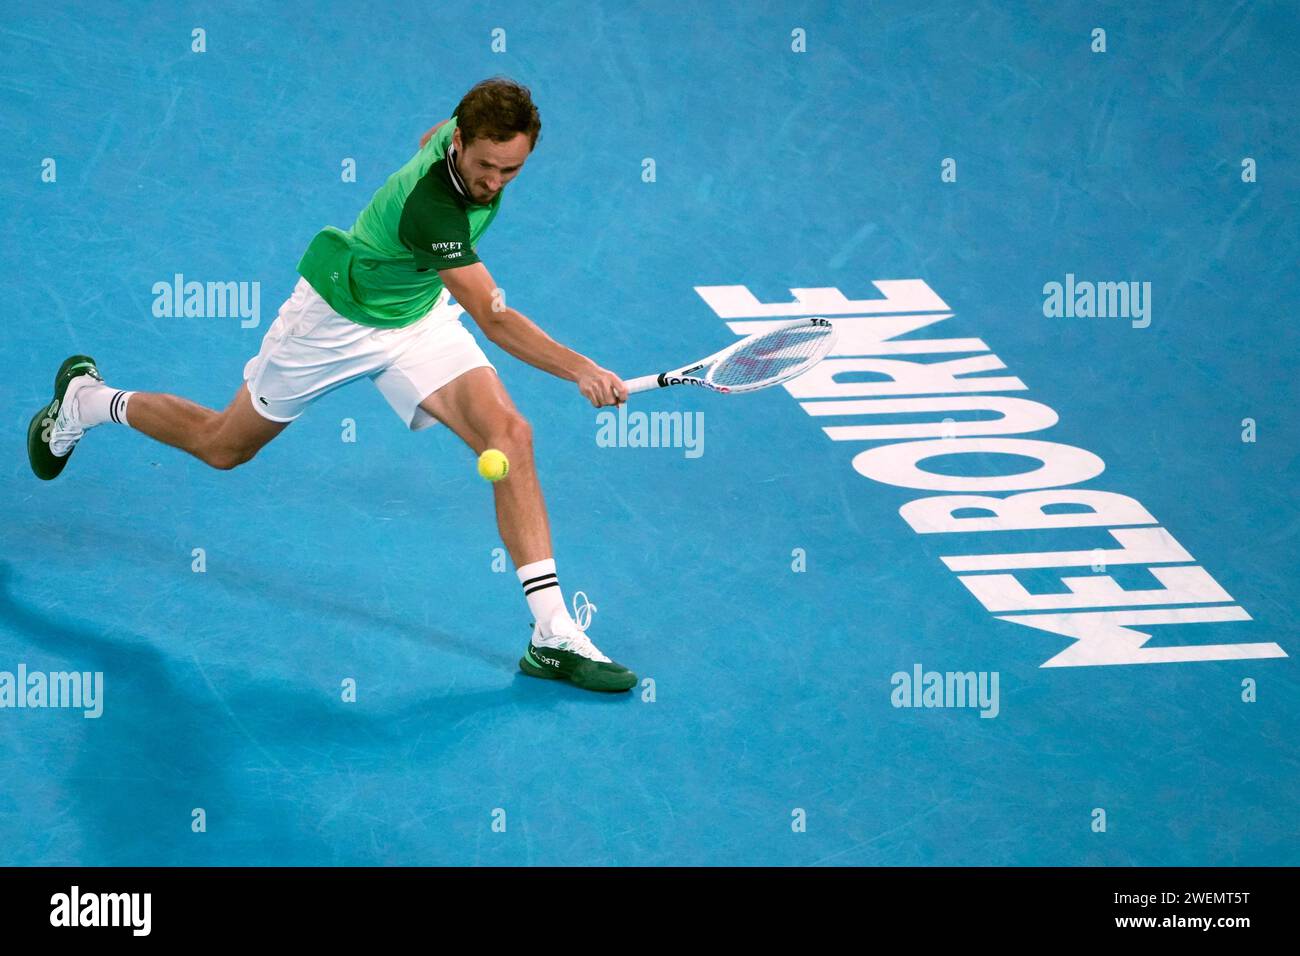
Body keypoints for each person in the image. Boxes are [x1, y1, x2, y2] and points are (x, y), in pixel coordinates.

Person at [26, 76, 637, 693]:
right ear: (460, 142)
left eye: (512, 170)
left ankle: (551, 633)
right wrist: (581, 367)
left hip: (415, 313)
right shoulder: (431, 208)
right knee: (222, 445)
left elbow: (427, 136)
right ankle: (87, 401)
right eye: (486, 167)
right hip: (336, 318)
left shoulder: (452, 139)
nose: (496, 183)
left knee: (511, 436)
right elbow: (494, 315)